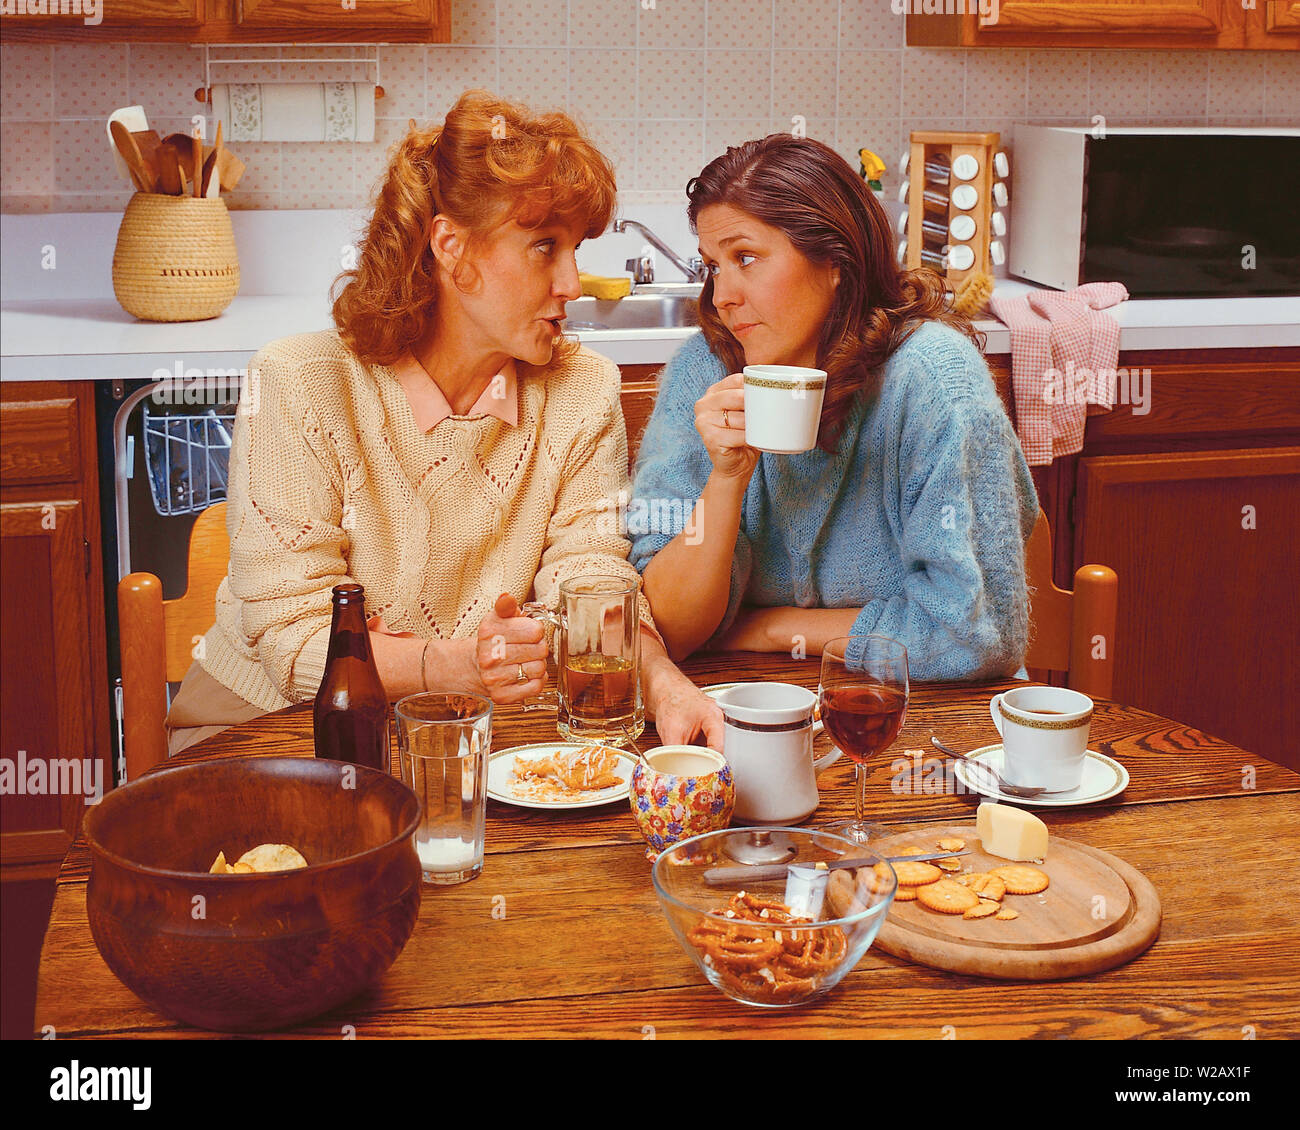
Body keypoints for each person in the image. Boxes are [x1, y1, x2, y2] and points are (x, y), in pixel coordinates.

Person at [165, 89, 721, 755]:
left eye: (575, 249)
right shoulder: (299, 383)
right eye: (545, 246)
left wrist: (662, 684)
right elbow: (297, 644)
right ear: (452, 249)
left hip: (473, 734)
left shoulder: (582, 388)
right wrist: (457, 664)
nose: (574, 283)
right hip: (268, 727)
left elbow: (592, 580)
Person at [627, 134, 1038, 678]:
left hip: (918, 714)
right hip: (741, 708)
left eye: (745, 258)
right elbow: (666, 630)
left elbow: (976, 635)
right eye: (714, 266)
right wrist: (726, 481)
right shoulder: (702, 372)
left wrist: (771, 628)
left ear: (834, 260)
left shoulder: (933, 379)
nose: (723, 295)